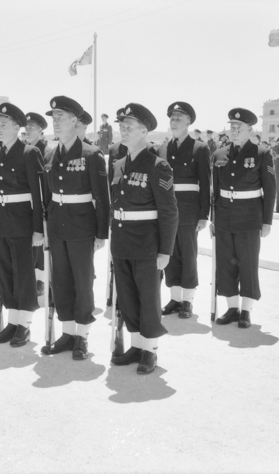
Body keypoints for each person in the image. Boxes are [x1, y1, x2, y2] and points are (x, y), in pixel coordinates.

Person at [109, 103, 178, 374]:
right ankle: (136, 346)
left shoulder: (158, 165)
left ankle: (150, 351)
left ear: (145, 130)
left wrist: (165, 251)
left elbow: (169, 212)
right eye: (121, 126)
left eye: (129, 126)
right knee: (127, 297)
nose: (123, 131)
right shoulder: (118, 164)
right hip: (122, 240)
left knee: (148, 298)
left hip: (147, 243)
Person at [40, 96, 109, 359]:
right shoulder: (48, 153)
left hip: (82, 225)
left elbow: (102, 198)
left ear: (74, 121)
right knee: (61, 280)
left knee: (82, 281)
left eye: (61, 118)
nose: (55, 123)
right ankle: (67, 333)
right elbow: (47, 195)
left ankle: (82, 336)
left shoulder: (92, 154)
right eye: (53, 118)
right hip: (57, 225)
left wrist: (102, 233)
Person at [211, 108, 275, 329]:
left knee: (248, 263)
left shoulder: (262, 153)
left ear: (250, 130)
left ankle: (246, 310)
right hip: (224, 216)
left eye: (240, 127)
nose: (235, 130)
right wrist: (213, 218)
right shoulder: (219, 154)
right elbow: (215, 190)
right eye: (232, 126)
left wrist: (267, 222)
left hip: (249, 216)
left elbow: (270, 189)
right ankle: (231, 308)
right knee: (226, 263)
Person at [0, 102, 44, 347]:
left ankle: (25, 324)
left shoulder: (30, 153)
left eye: (4, 124)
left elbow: (38, 193)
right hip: (2, 222)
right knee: (7, 274)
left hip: (22, 222)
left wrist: (38, 229)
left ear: (17, 127)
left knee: (24, 274)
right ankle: (12, 322)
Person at [155, 102, 210, 318]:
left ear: (189, 122)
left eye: (179, 118)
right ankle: (175, 299)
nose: (174, 122)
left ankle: (188, 301)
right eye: (172, 118)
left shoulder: (200, 148)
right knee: (170, 253)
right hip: (167, 212)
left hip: (188, 211)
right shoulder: (163, 148)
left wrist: (204, 214)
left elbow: (206, 183)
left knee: (188, 255)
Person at [24, 111, 54, 297]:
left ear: (41, 131)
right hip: (28, 207)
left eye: (32, 128)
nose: (27, 131)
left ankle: (43, 280)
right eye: (25, 128)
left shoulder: (47, 153)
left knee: (43, 248)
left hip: (44, 206)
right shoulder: (23, 150)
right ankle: (36, 279)